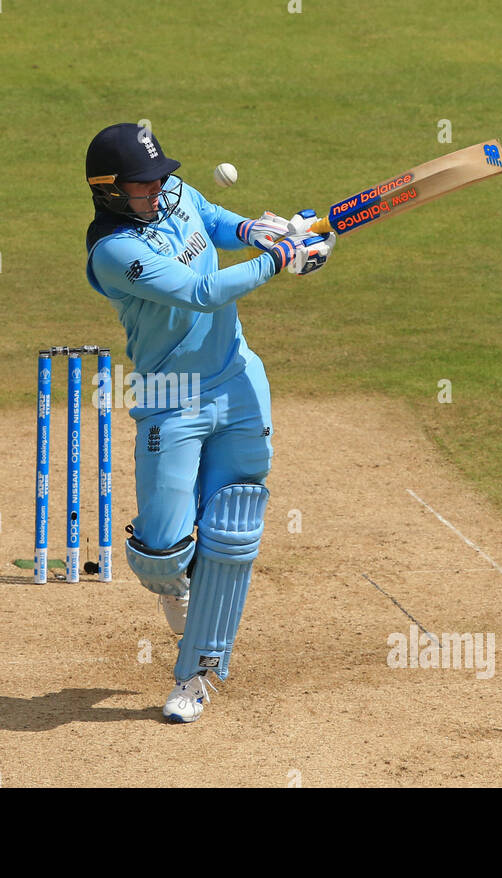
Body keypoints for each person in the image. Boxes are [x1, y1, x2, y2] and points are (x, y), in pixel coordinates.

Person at [83, 122, 335, 722]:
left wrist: (254, 229)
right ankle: (177, 585)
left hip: (237, 380)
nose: (161, 190)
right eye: (144, 184)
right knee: (162, 548)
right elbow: (201, 291)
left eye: (161, 177)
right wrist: (281, 258)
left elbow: (209, 213)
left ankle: (196, 675)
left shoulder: (171, 194)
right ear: (110, 191)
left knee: (234, 525)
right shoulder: (115, 250)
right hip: (171, 398)